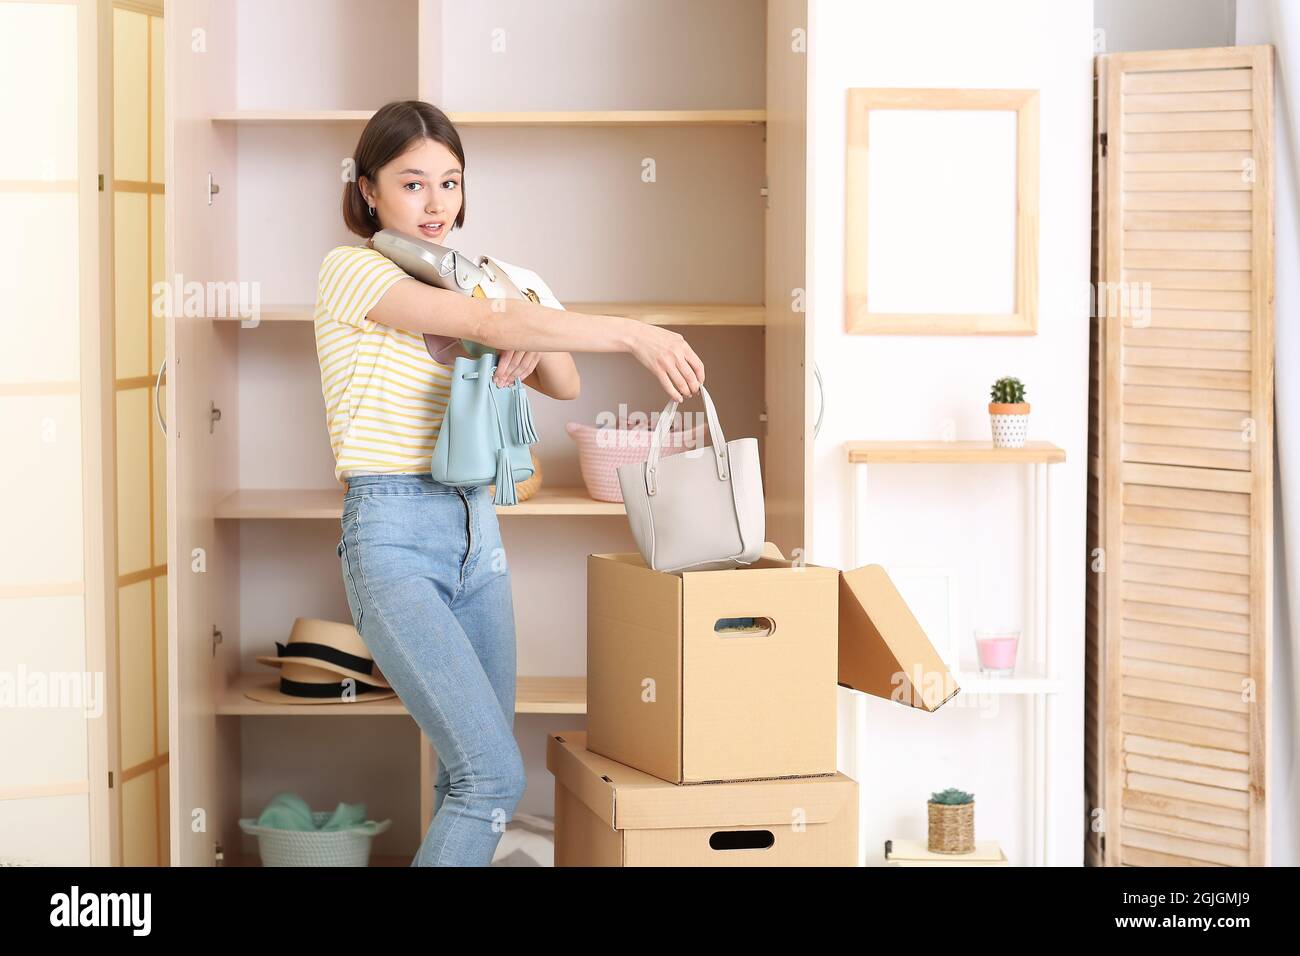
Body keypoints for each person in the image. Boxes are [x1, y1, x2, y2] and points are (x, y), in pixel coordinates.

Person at [315, 100, 705, 866]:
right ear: (368, 190)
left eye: (451, 182)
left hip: (478, 537)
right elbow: (488, 327)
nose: (436, 203)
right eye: (413, 183)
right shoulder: (351, 271)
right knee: (492, 780)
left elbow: (562, 380)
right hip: (392, 535)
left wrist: (522, 312)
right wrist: (632, 332)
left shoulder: (479, 284)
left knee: (462, 779)